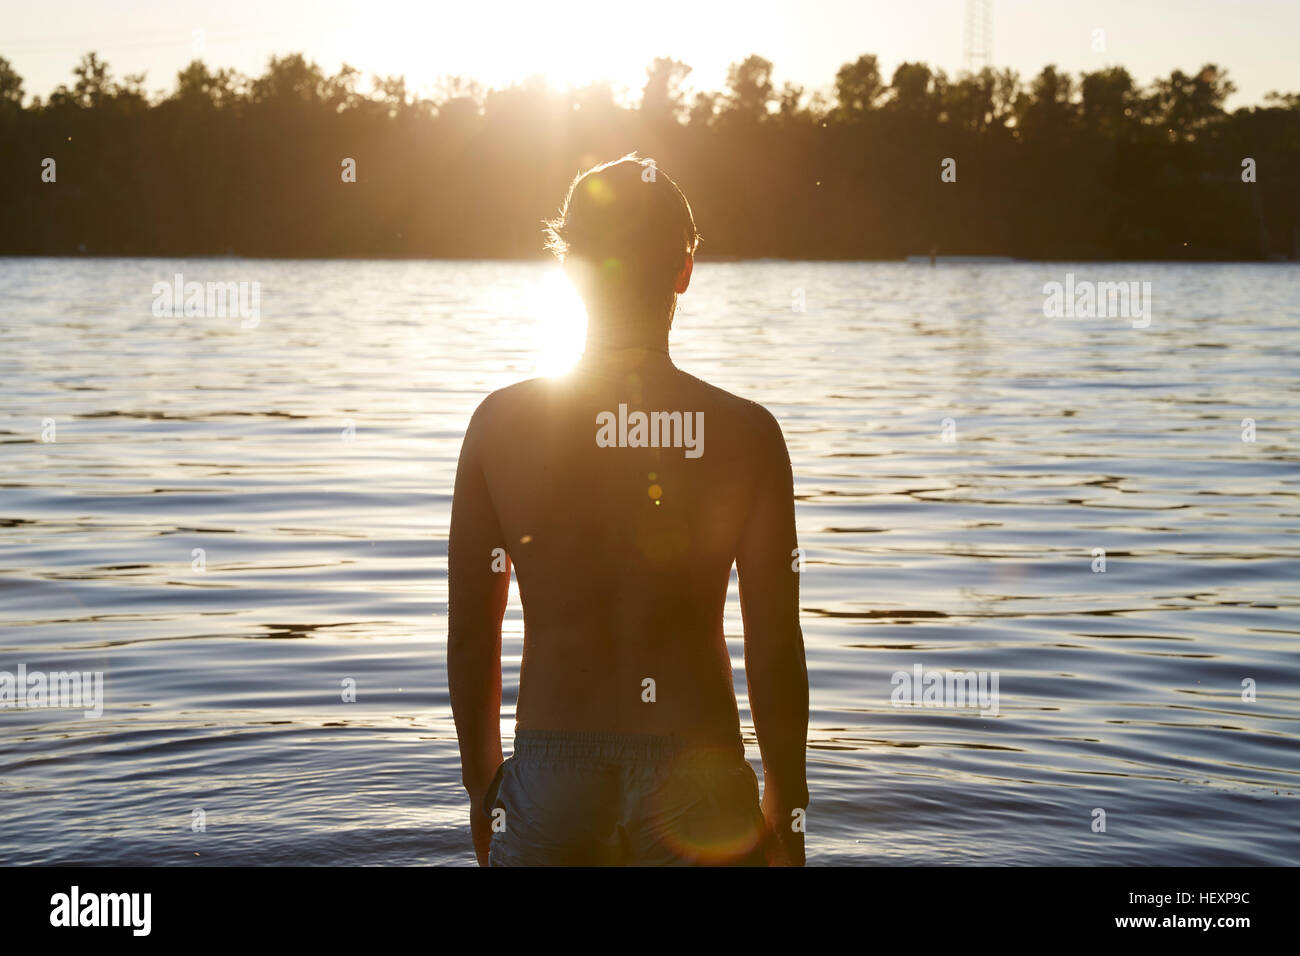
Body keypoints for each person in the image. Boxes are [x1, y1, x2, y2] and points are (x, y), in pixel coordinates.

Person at [447, 153, 807, 866]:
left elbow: (471, 635)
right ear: (684, 270)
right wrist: (787, 800)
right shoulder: (746, 433)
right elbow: (773, 644)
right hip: (698, 775)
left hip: (552, 773)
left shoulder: (499, 426)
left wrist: (482, 786)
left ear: (570, 268)